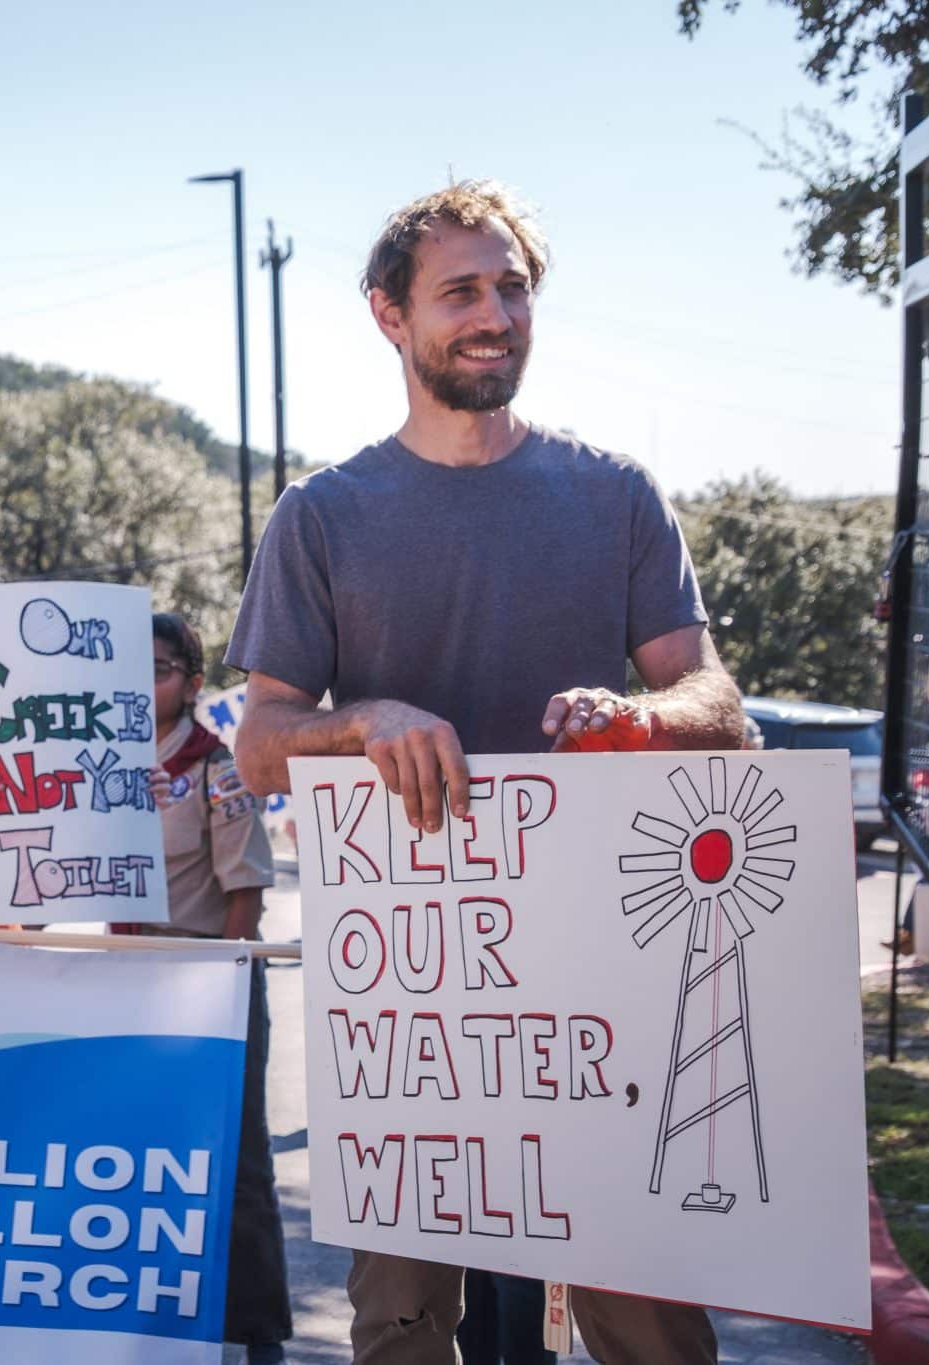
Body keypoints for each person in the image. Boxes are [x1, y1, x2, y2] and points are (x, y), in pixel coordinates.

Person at [227, 180, 743, 1364]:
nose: (492, 314)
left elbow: (714, 700)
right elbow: (259, 742)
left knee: (649, 1324)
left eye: (511, 288)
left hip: (603, 987)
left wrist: (640, 720)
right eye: (458, 290)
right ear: (386, 316)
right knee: (402, 1330)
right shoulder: (321, 517)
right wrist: (366, 720)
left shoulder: (613, 495)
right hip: (412, 998)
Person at [137, 612, 291, 1364]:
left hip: (211, 978)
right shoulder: (104, 764)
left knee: (237, 1160)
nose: (142, 683)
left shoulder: (216, 767)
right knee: (146, 1155)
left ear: (193, 684)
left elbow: (246, 892)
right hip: (126, 985)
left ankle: (256, 1330)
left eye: (159, 668)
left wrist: (220, 984)